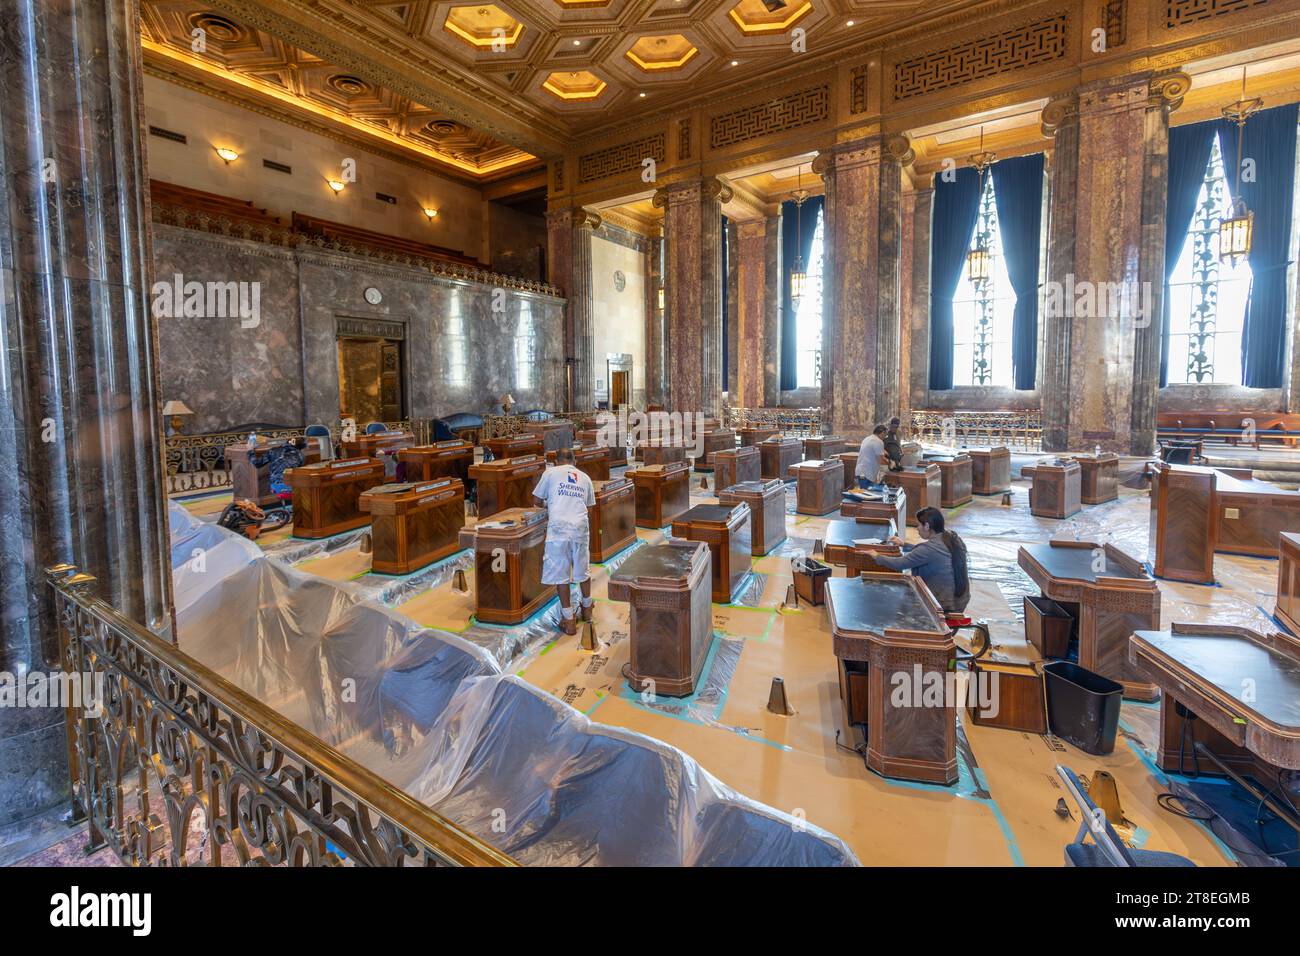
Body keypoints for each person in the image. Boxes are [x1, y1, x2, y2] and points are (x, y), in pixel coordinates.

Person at [532, 446, 596, 635]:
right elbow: (590, 509)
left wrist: (550, 503)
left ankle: (568, 620)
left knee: (561, 575)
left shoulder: (550, 472)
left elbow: (536, 500)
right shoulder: (585, 477)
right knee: (583, 571)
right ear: (574, 462)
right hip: (580, 528)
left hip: (559, 529)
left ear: (556, 461)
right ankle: (587, 610)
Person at [874, 506, 970, 614]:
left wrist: (876, 555)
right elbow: (928, 553)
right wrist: (904, 544)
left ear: (927, 526)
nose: (917, 528)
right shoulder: (951, 537)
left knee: (895, 603)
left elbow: (900, 563)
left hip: (944, 605)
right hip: (959, 599)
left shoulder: (929, 548)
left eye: (919, 524)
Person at [855, 424, 889, 488]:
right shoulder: (878, 441)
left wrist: (884, 452)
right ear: (882, 433)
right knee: (867, 495)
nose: (885, 437)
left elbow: (874, 451)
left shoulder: (868, 438)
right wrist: (890, 464)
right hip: (867, 474)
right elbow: (881, 461)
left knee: (864, 494)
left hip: (861, 472)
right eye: (885, 435)